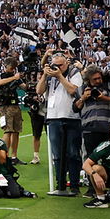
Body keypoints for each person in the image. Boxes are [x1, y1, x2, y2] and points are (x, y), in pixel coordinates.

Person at [38, 51, 83, 196]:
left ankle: (74, 185)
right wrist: (45, 75)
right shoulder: (50, 76)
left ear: (67, 63)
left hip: (72, 117)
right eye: (54, 65)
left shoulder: (74, 72)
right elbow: (39, 91)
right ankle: (60, 184)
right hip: (53, 117)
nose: (57, 67)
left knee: (73, 153)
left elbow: (73, 90)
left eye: (60, 65)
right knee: (56, 153)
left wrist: (59, 76)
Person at [76, 66, 110, 156]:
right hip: (89, 130)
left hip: (107, 128)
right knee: (90, 158)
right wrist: (83, 98)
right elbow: (75, 108)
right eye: (94, 79)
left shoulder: (109, 86)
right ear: (88, 80)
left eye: (99, 78)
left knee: (109, 158)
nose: (98, 81)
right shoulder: (81, 89)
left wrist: (104, 98)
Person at [0, 57, 25, 162]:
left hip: (14, 104)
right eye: (11, 68)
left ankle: (14, 156)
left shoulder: (15, 75)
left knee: (16, 131)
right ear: (6, 66)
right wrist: (14, 78)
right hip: (4, 105)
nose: (12, 70)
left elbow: (24, 86)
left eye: (14, 68)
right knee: (8, 130)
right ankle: (4, 156)